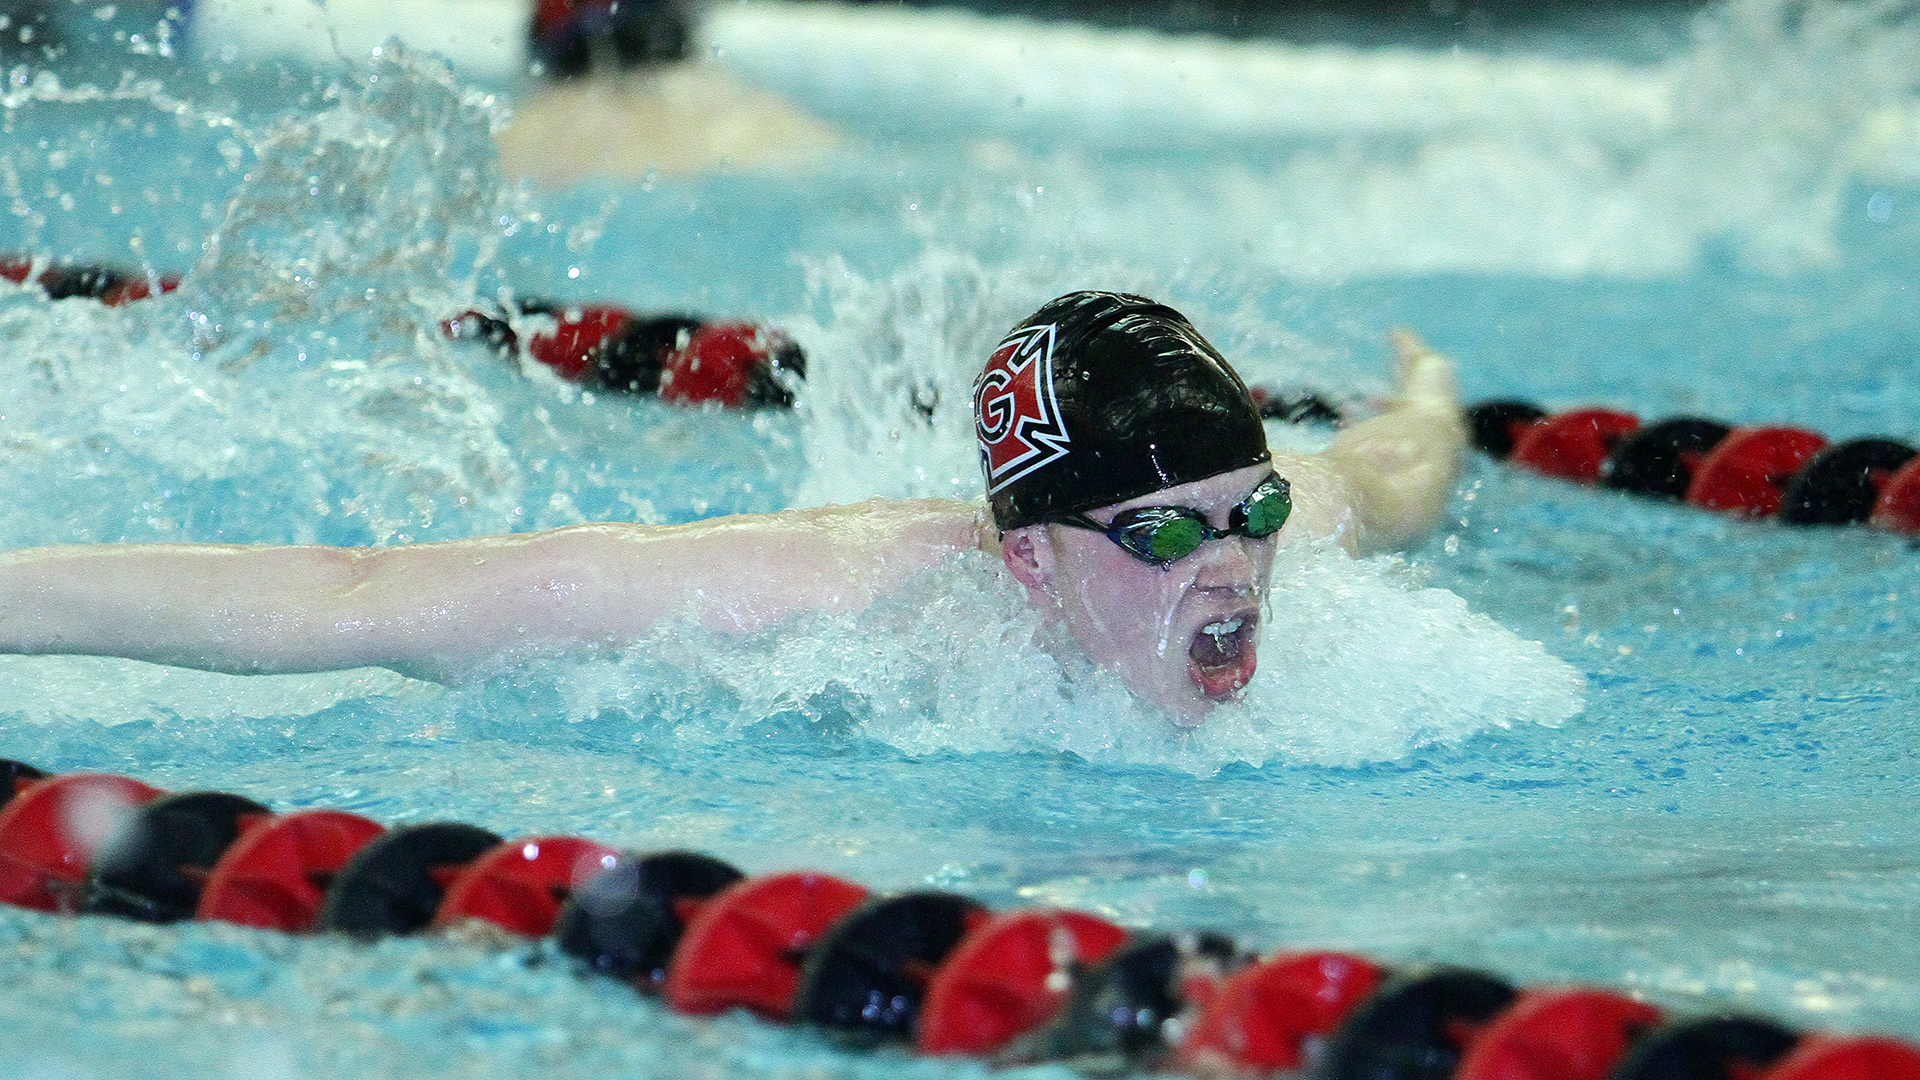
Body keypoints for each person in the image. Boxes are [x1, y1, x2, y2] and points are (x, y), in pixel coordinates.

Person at [0, 291, 1465, 725]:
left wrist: (1436, 387)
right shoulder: (826, 603)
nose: (1232, 570)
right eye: (1160, 535)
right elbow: (355, 598)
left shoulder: (1265, 532)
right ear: (1027, 560)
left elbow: (1397, 475)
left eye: (1251, 514)